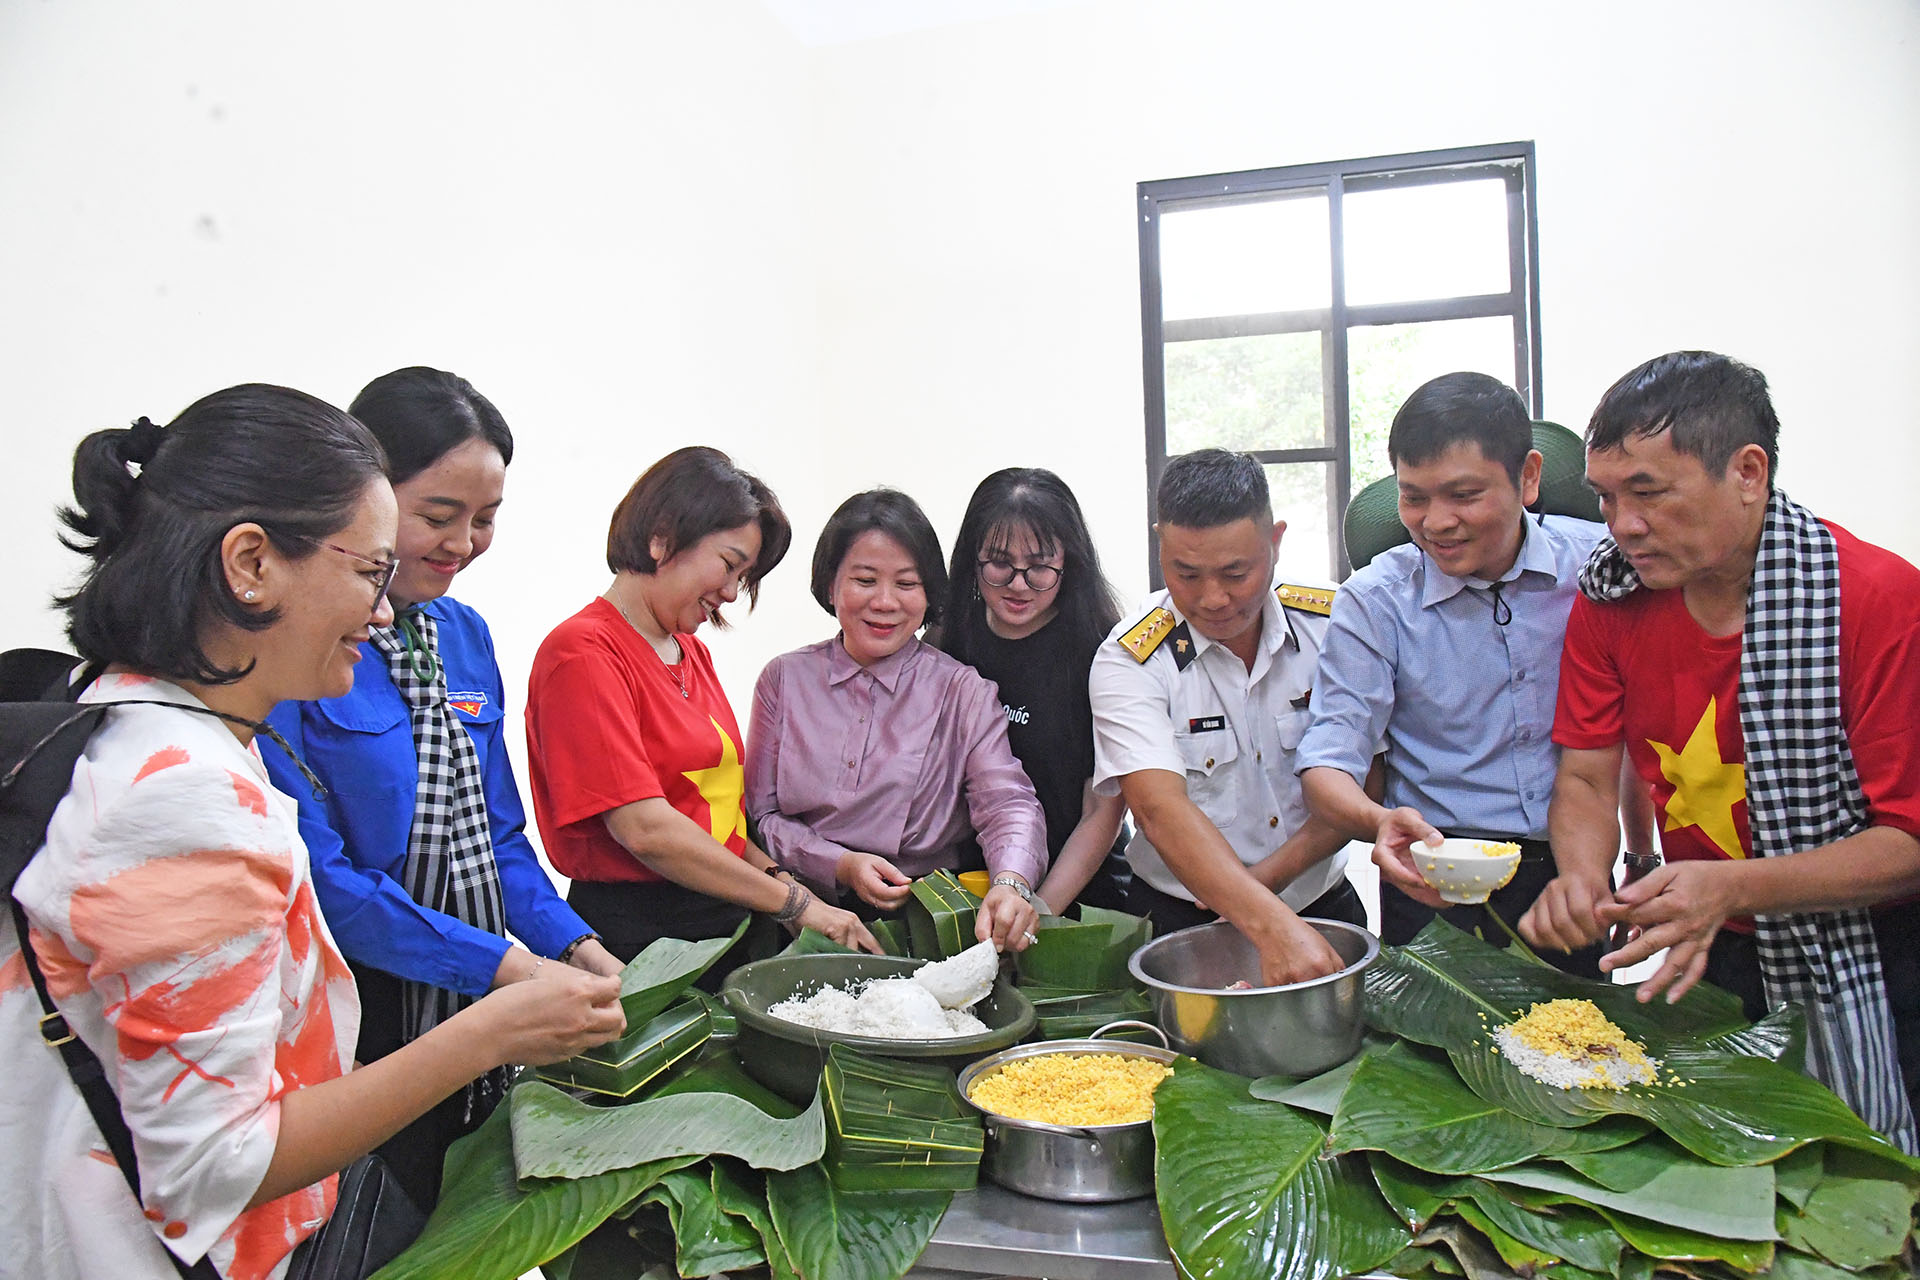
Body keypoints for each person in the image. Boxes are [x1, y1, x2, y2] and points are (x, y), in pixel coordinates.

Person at [1, 386, 623, 1280]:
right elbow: (218, 1165)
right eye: (370, 572)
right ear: (252, 563)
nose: (380, 615)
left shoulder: (133, 722)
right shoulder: (186, 800)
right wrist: (493, 1028)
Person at [1518, 351, 1920, 1152]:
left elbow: (1906, 845)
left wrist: (1731, 887)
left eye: (1649, 492)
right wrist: (1582, 878)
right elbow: (1590, 780)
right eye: (1605, 495)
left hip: (1875, 956)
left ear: (1747, 471)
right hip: (1715, 954)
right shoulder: (1610, 598)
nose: (1621, 524)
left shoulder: (1876, 600)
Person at [261, 367, 622, 1207]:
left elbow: (496, 836)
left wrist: (574, 944)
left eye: (486, 519)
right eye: (438, 516)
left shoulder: (465, 636)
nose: (462, 542)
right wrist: (500, 968)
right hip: (363, 1005)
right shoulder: (301, 649)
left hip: (486, 993)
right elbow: (326, 881)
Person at [1296, 373, 1613, 975]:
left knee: (1580, 1054)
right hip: (1431, 871)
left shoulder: (1599, 569)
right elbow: (1327, 761)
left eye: (1463, 495)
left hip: (1571, 870)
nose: (1436, 522)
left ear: (1528, 477)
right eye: (1413, 497)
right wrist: (1378, 820)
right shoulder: (1375, 600)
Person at [525, 447, 876, 976]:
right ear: (663, 535)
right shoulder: (583, 654)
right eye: (730, 565)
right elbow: (646, 830)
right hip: (642, 936)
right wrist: (795, 905)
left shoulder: (691, 653)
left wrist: (783, 885)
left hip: (727, 917)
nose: (733, 593)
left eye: (745, 575)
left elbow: (717, 820)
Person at [1089, 448, 1363, 985]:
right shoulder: (1131, 658)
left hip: (1323, 905)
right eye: (1185, 573)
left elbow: (1365, 778)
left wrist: (1263, 893)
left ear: (1276, 541)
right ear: (1160, 543)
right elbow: (1157, 808)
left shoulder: (1335, 625)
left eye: (1237, 572)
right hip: (1179, 920)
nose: (1213, 599)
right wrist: (1268, 921)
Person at [745, 489, 1047, 951]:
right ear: (830, 585)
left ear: (929, 594)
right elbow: (761, 815)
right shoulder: (783, 679)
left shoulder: (962, 690)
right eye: (865, 580)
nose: (885, 602)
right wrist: (839, 864)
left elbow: (1007, 802)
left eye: (907, 584)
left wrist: (1011, 881)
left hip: (925, 923)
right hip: (800, 915)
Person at [934, 468, 1130, 915]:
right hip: (967, 891)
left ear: (1069, 563)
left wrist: (1038, 912)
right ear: (972, 559)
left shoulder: (1102, 652)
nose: (1018, 585)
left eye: (1039, 567)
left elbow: (1103, 812)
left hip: (1079, 895)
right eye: (1000, 563)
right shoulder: (948, 639)